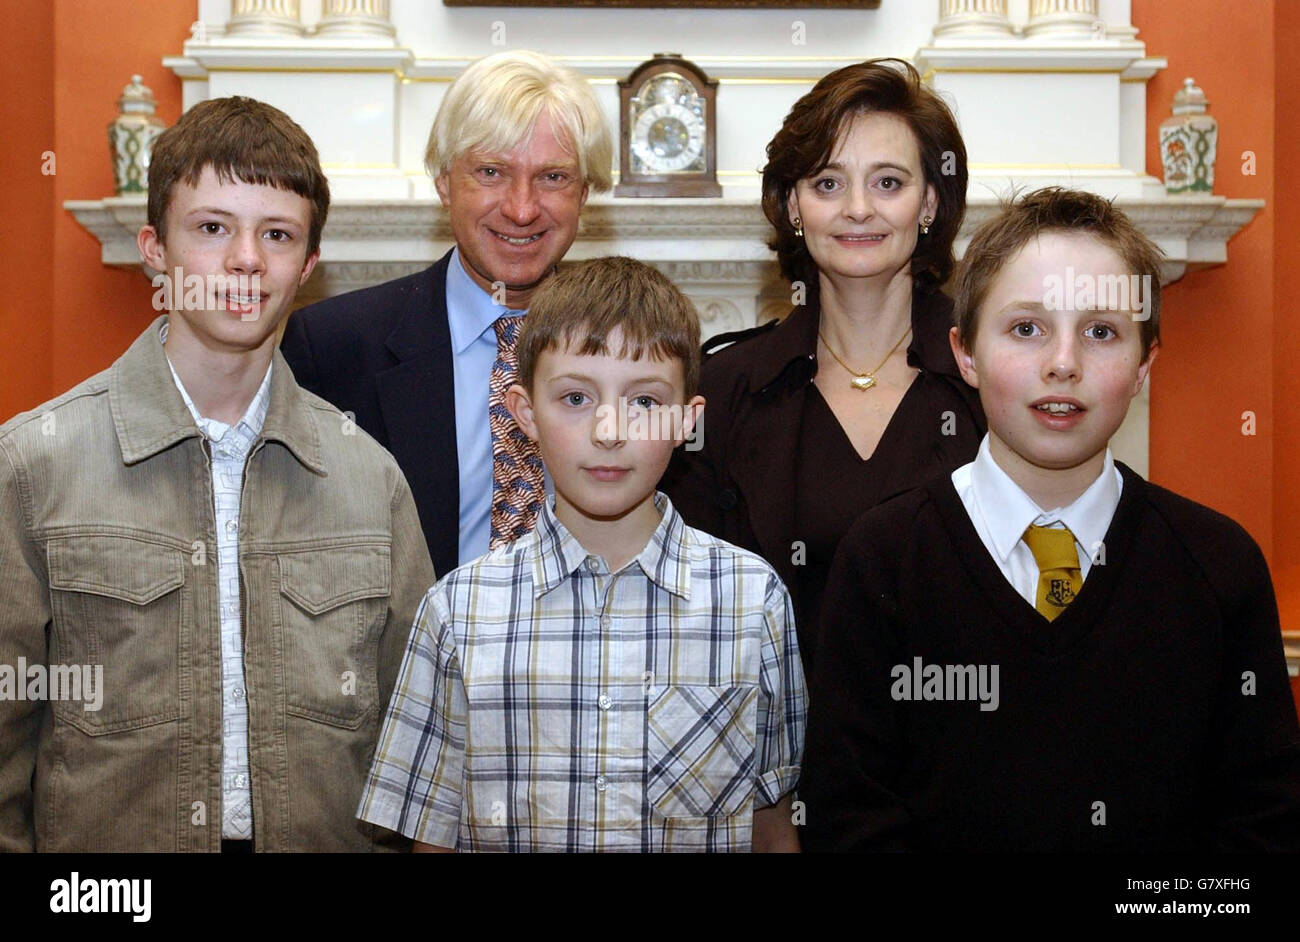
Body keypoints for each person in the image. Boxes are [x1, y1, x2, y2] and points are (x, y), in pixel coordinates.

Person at [800, 187, 1300, 852]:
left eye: (1101, 332)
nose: (1063, 363)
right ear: (966, 353)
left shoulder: (1217, 564)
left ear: (1145, 365)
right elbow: (848, 813)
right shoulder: (885, 557)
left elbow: (1260, 822)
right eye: (1027, 328)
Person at [0, 96, 435, 852]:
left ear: (308, 265)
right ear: (154, 248)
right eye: (211, 228)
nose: (245, 260)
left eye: (277, 234)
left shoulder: (370, 479)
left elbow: (417, 739)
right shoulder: (35, 464)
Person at [357, 257, 807, 852]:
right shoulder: (456, 613)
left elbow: (768, 825)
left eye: (644, 402)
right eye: (574, 397)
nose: (608, 430)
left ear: (686, 420)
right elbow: (432, 837)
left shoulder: (753, 600)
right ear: (524, 414)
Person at [661, 59, 984, 670]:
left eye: (888, 182)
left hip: (967, 746)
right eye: (828, 183)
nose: (857, 209)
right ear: (792, 207)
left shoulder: (990, 377)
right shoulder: (723, 392)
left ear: (931, 203)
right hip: (778, 749)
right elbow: (688, 617)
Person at [281, 50, 613, 579]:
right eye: (491, 172)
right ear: (443, 182)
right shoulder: (331, 347)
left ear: (584, 194)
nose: (522, 208)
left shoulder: (630, 352)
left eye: (553, 177)